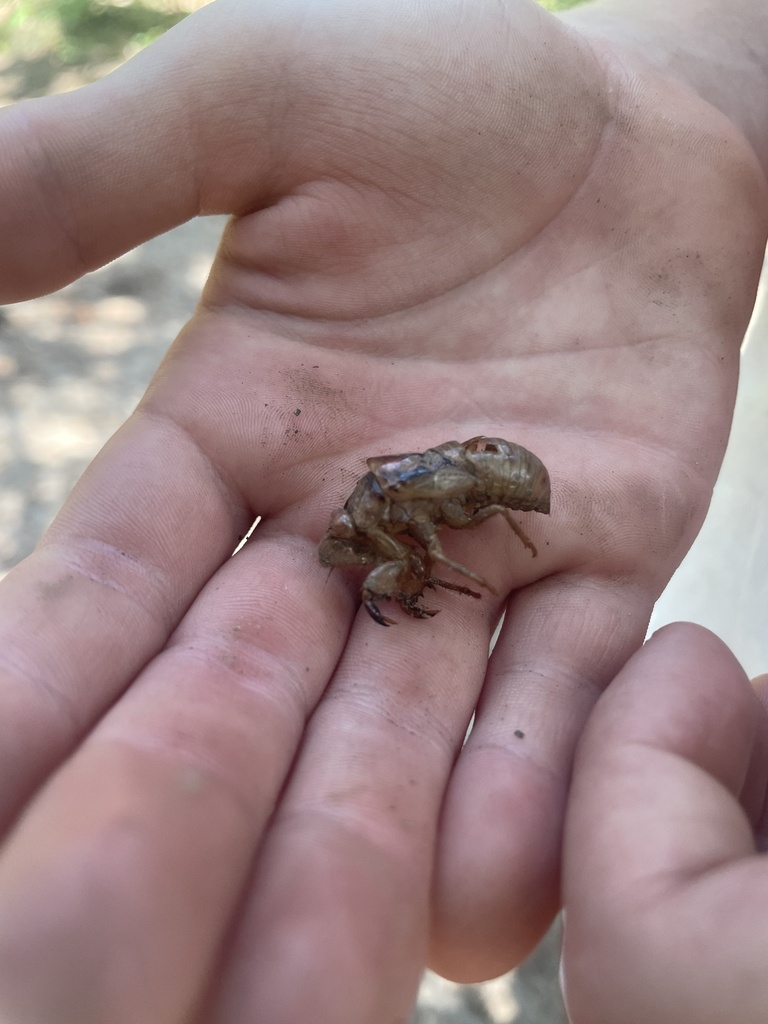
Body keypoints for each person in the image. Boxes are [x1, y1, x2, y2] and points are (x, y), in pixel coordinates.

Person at [0, 0, 765, 1020]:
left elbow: (439, 529)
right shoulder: (440, 491)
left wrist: (427, 560)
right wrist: (686, 86)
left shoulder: (440, 497)